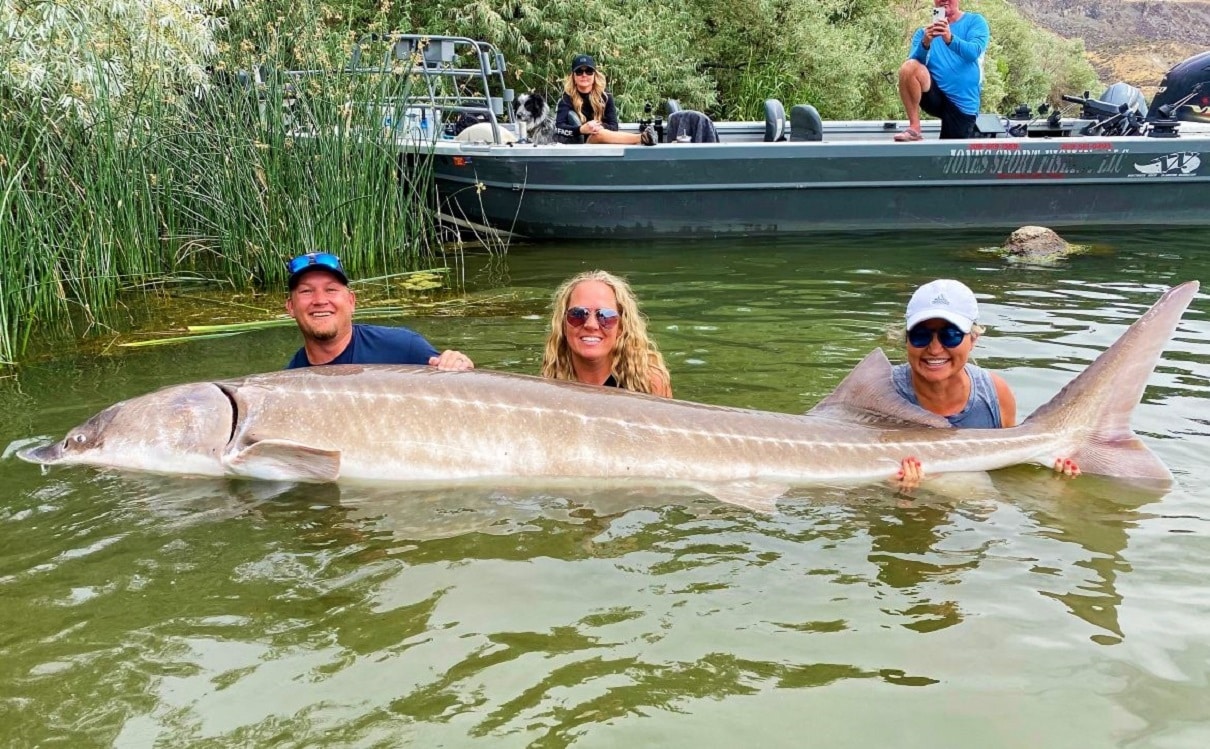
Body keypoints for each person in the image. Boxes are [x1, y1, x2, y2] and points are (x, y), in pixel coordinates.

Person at [283, 252, 474, 371]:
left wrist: (460, 365)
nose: (320, 301)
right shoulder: (290, 379)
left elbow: (459, 389)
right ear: (291, 307)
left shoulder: (404, 347)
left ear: (351, 301)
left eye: (331, 290)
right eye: (306, 291)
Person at [540, 270, 672, 397]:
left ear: (621, 326)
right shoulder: (550, 382)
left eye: (605, 316)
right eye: (578, 314)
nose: (591, 325)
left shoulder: (649, 382)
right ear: (563, 324)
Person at [893, 0, 990, 142]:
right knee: (908, 67)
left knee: (948, 160)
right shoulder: (923, 33)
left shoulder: (975, 21)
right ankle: (914, 128)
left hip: (962, 104)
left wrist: (949, 38)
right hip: (935, 95)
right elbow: (911, 69)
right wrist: (925, 43)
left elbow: (974, 52)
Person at [553, 54, 658, 147]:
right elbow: (558, 128)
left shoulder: (605, 96)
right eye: (579, 71)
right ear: (573, 76)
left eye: (589, 71)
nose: (584, 75)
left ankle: (643, 139)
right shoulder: (565, 99)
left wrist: (598, 126)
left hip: (604, 145)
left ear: (594, 75)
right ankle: (642, 138)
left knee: (599, 133)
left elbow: (614, 126)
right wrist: (581, 129)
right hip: (578, 148)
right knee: (598, 134)